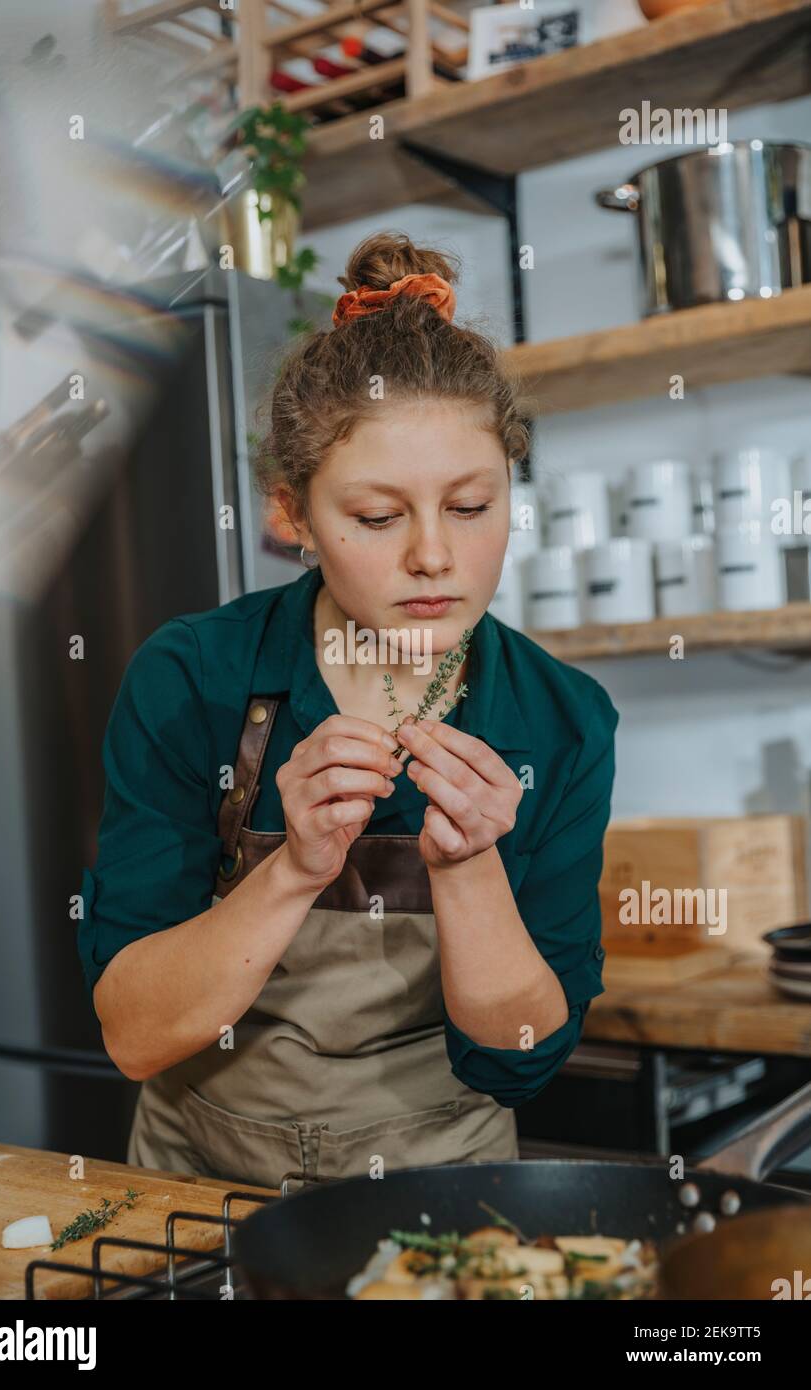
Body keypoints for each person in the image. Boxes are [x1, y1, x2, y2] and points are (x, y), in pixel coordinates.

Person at [78, 231, 618, 1190]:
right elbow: (134, 1035)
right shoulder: (195, 676)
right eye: (376, 517)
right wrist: (294, 868)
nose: (433, 558)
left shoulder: (563, 719)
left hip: (438, 1185)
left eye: (471, 506)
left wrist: (470, 868)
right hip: (203, 1188)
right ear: (293, 515)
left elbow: (524, 1057)